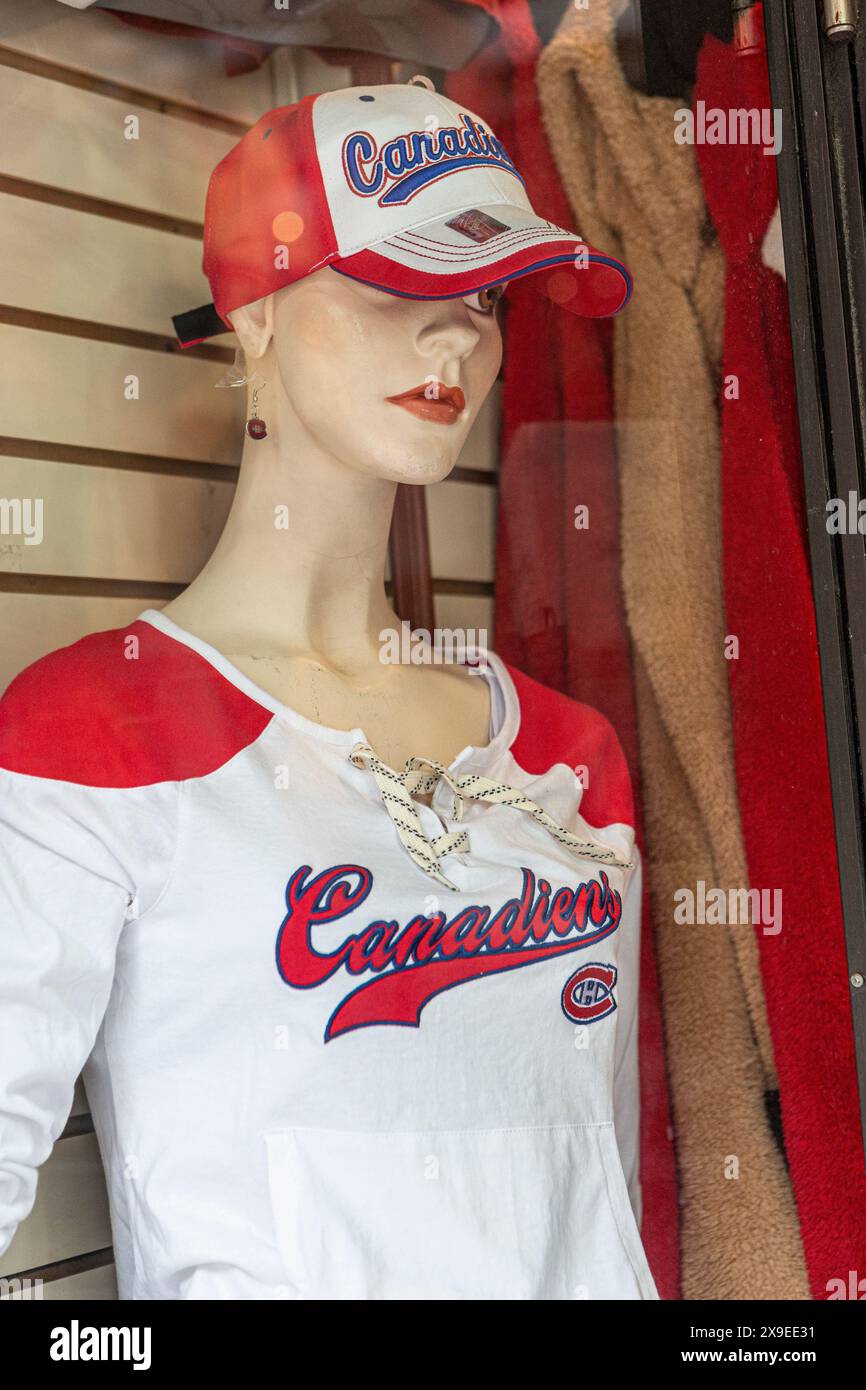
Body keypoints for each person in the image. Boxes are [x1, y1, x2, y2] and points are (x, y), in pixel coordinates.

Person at [0, 80, 657, 1300]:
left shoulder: (571, 754)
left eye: (481, 294)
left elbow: (600, 1179)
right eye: (401, 283)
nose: (455, 335)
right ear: (250, 312)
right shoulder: (93, 731)